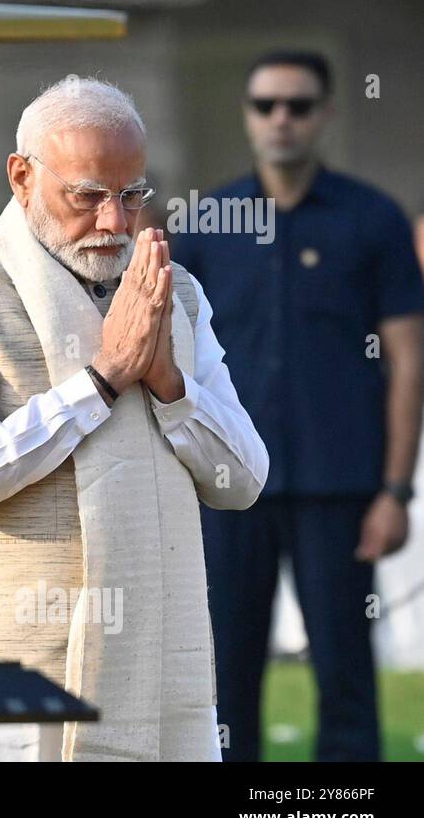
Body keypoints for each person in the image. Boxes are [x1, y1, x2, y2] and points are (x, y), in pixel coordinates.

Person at [0, 77, 269, 761]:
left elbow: (245, 477)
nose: (115, 222)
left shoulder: (172, 297)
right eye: (87, 196)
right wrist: (101, 381)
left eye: (132, 195)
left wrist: (169, 384)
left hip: (157, 689)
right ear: (22, 177)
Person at [174, 51, 424, 761]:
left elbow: (409, 358)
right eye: (266, 105)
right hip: (225, 490)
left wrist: (397, 490)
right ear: (248, 116)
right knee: (223, 673)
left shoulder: (371, 220)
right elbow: (167, 356)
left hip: (341, 485)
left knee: (346, 672)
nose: (281, 119)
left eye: (298, 105)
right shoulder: (206, 222)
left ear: (326, 113)